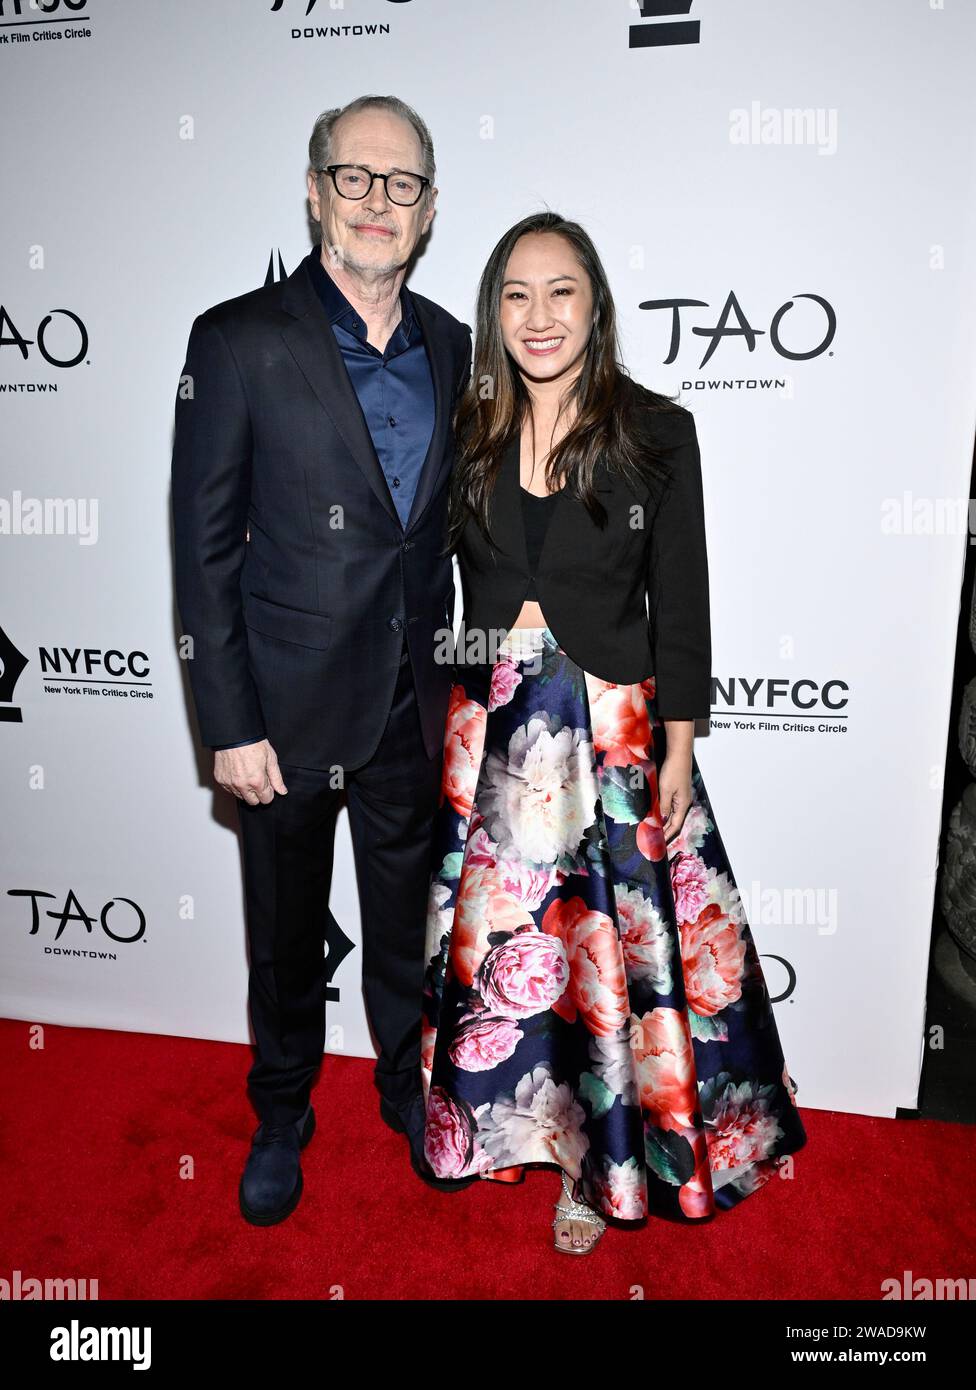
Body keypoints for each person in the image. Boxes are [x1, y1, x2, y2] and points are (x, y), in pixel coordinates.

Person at [420, 212, 807, 1254]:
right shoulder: (468, 426)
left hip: (611, 725)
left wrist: (679, 745)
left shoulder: (654, 428)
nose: (538, 315)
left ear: (595, 305)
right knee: (510, 960)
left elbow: (681, 599)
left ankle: (598, 1168)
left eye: (561, 292)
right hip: (496, 727)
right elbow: (439, 585)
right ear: (492, 312)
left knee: (605, 965)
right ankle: (513, 1131)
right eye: (516, 293)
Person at [171, 95, 473, 1225]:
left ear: (429, 208)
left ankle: (409, 1083)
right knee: (285, 933)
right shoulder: (237, 340)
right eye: (355, 177)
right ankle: (282, 1108)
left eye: (402, 184)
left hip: (410, 699)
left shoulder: (454, 344)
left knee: (406, 922)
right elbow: (201, 549)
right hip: (283, 715)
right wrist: (227, 720)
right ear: (315, 191)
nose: (378, 202)